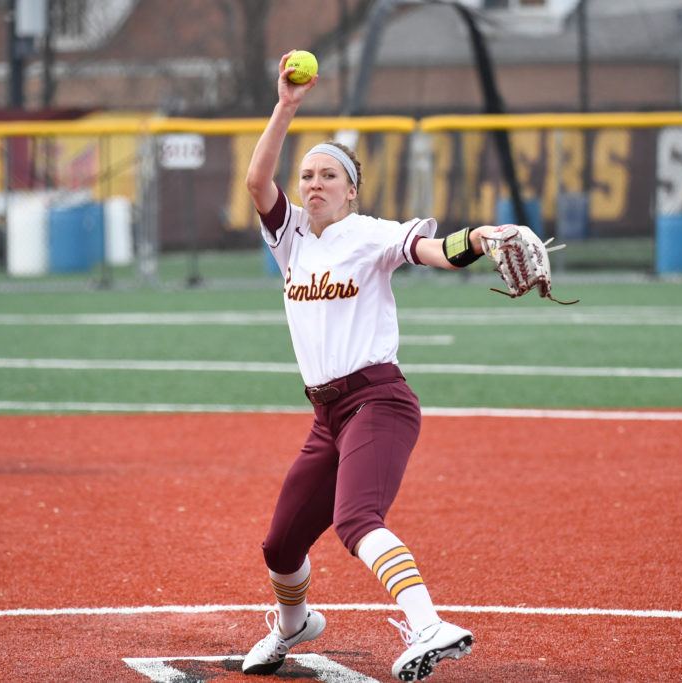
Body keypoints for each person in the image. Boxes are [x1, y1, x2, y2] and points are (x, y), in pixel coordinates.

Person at [241, 50, 496, 682]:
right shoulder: (290, 236)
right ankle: (295, 622)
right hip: (326, 414)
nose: (314, 184)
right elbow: (255, 182)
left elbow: (433, 251)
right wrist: (286, 108)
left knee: (357, 519)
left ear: (351, 190)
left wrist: (479, 240)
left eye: (329, 176)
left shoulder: (371, 233)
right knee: (280, 547)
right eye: (307, 176)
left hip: (378, 402)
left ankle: (427, 623)